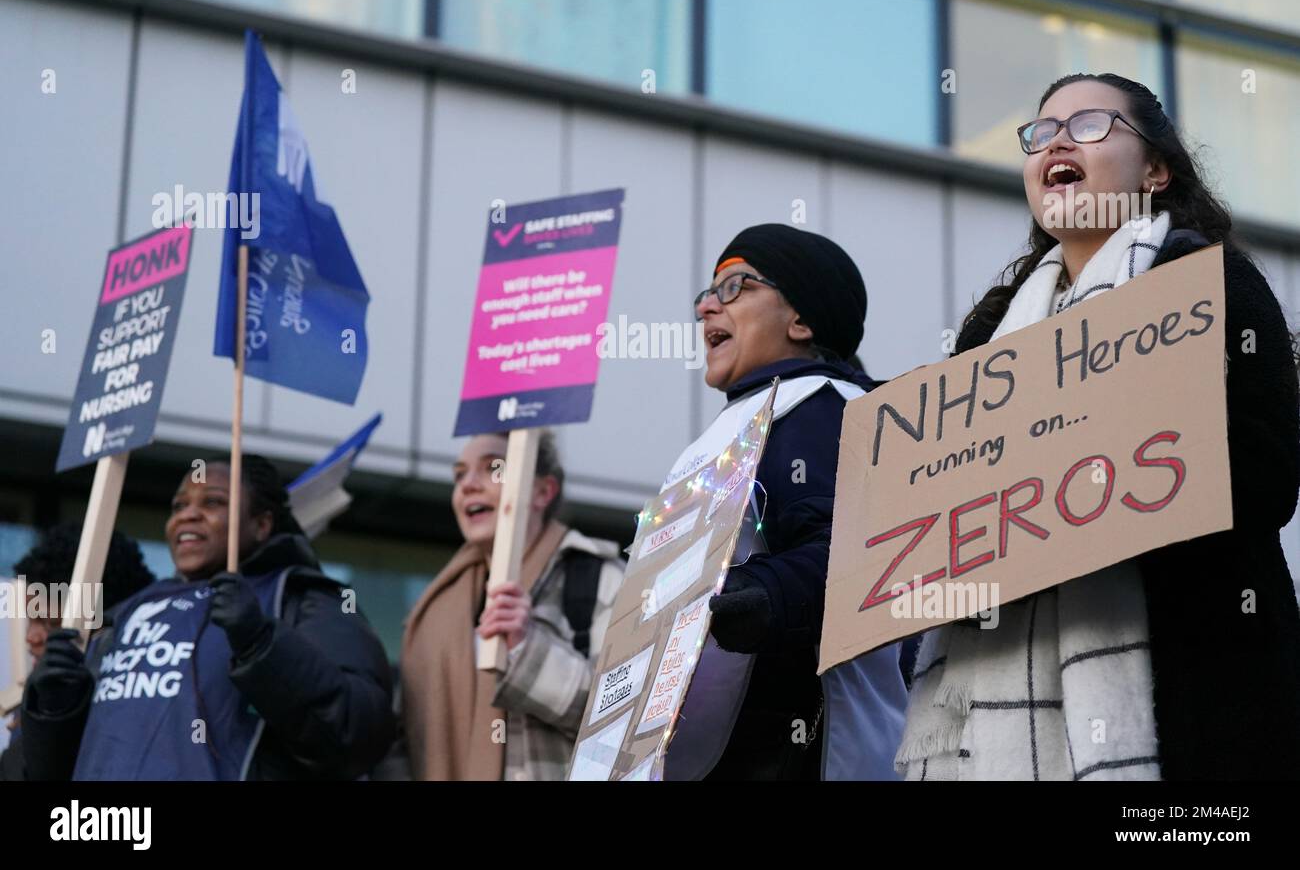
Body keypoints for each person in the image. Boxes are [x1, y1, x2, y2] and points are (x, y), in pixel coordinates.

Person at [894, 72, 1300, 780]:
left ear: (1155, 169)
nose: (1057, 141)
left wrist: (1098, 480)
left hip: (1195, 704)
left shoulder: (1211, 281)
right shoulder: (990, 336)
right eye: (1042, 131)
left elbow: (1266, 479)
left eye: (1089, 126)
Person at [664, 223, 907, 780]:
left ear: (801, 320)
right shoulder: (747, 420)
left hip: (806, 754)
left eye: (735, 287)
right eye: (707, 292)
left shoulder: (823, 406)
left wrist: (762, 592)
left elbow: (861, 553)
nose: (706, 307)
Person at [20, 454, 394, 780]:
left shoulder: (305, 600)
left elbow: (357, 734)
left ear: (262, 524)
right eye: (178, 506)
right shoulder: (129, 612)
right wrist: (53, 712)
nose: (189, 514)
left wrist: (263, 645)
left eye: (213, 502)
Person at [400, 429, 625, 781]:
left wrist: (528, 647)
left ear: (542, 491)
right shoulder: (437, 606)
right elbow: (402, 742)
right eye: (460, 474)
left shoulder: (601, 579)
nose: (468, 485)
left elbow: (626, 718)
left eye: (494, 468)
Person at [1, 523, 155, 780]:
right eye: (31, 620)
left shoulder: (132, 702)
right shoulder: (34, 698)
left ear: (103, 626)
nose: (31, 637)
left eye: (51, 623)